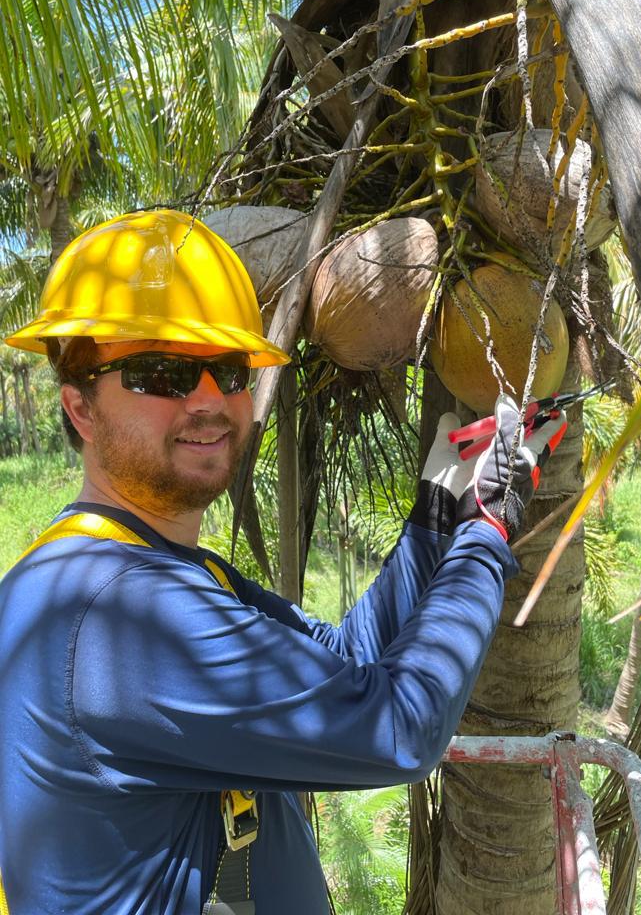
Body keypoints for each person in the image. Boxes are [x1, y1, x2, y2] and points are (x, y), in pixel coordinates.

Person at [0, 209, 567, 915]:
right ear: (80, 408)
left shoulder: (149, 569)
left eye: (230, 370)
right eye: (162, 372)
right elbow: (397, 727)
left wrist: (437, 515)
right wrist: (485, 535)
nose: (210, 400)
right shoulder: (119, 616)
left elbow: (349, 656)